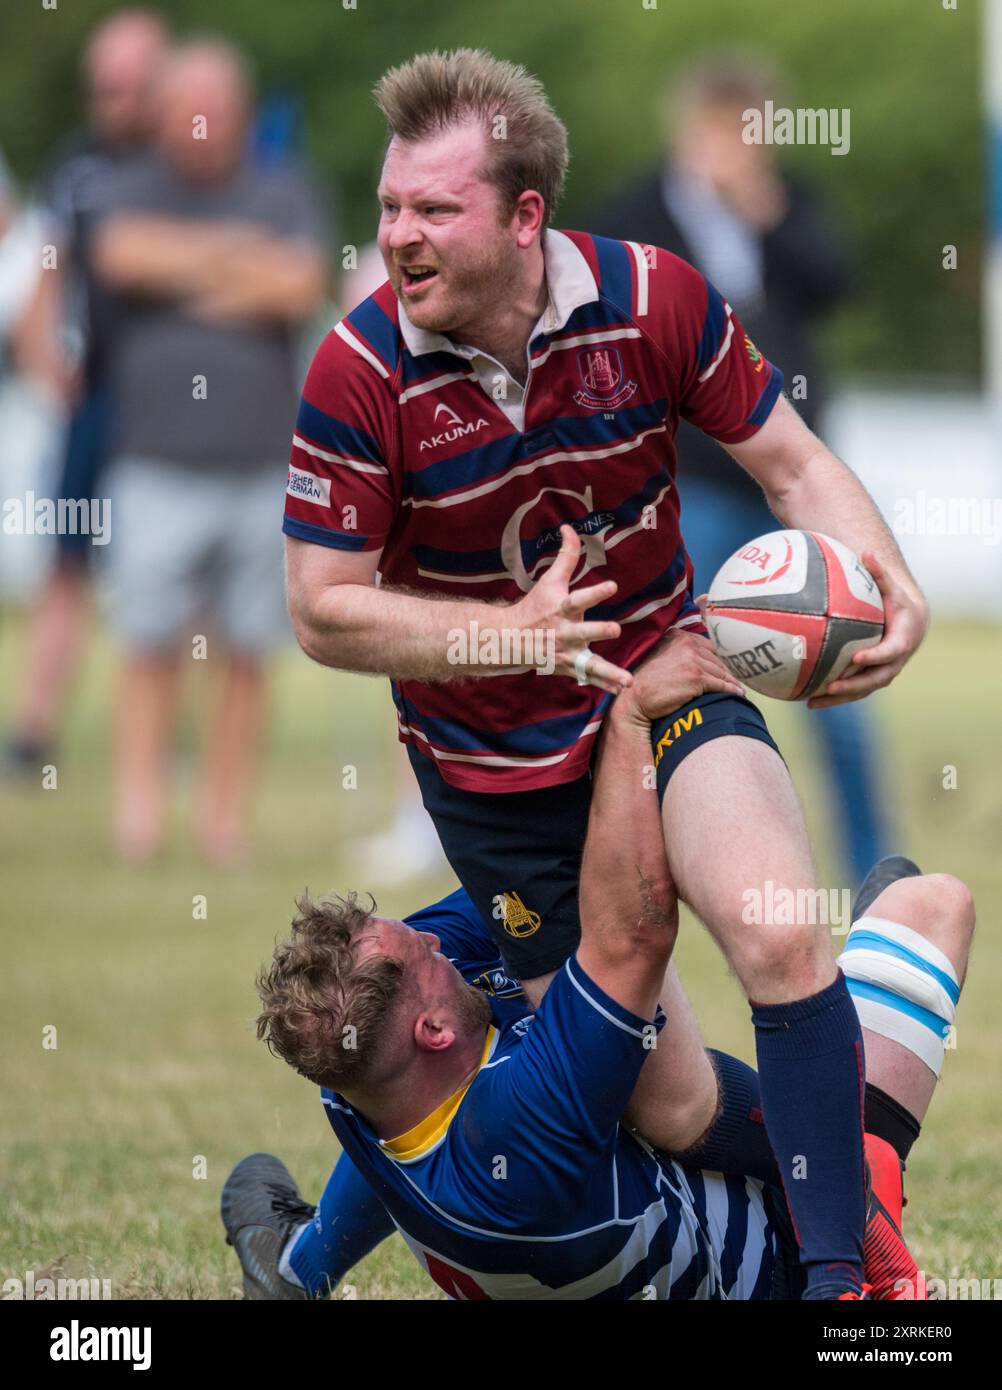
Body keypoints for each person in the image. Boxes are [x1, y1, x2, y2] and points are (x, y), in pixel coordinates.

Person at [281, 48, 930, 1297]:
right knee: (676, 1103)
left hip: (674, 677)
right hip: (499, 778)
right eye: (388, 208)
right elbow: (321, 611)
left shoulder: (653, 296)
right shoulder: (357, 374)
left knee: (778, 936)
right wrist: (507, 637)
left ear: (526, 217)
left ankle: (845, 1288)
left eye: (432, 211)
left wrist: (884, 578)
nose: (396, 239)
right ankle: (864, 1175)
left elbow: (790, 460)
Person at [223, 635, 973, 1301]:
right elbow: (628, 930)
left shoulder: (352, 1076)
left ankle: (299, 1267)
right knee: (933, 909)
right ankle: (851, 1258)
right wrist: (632, 719)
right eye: (426, 955)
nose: (439, 941)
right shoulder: (517, 1128)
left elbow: (527, 895)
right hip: (775, 1260)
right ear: (433, 1029)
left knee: (513, 978)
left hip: (494, 1176)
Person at [583, 54, 889, 885]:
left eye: (752, 131)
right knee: (679, 668)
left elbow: (836, 285)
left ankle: (872, 865)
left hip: (792, 485)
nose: (736, 147)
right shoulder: (635, 216)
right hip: (692, 486)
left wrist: (767, 214)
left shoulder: (786, 207)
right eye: (722, 128)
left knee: (843, 669)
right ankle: (673, 863)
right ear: (689, 130)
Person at [89, 37, 329, 864]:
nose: (201, 123)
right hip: (154, 456)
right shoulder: (123, 182)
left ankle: (224, 822)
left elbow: (298, 284)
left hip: (263, 461)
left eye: (217, 107)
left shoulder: (283, 186)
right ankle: (141, 816)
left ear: (241, 111)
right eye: (188, 106)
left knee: (247, 648)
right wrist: (239, 261)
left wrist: (180, 273)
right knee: (148, 642)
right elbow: (121, 254)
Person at [3, 8, 170, 774]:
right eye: (104, 88)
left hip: (175, 403)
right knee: (65, 562)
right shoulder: (76, 168)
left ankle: (171, 742)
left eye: (130, 87)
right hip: (97, 399)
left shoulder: (187, 163)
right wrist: (47, 370)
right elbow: (46, 274)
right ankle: (35, 730)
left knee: (177, 568)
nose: (115, 103)